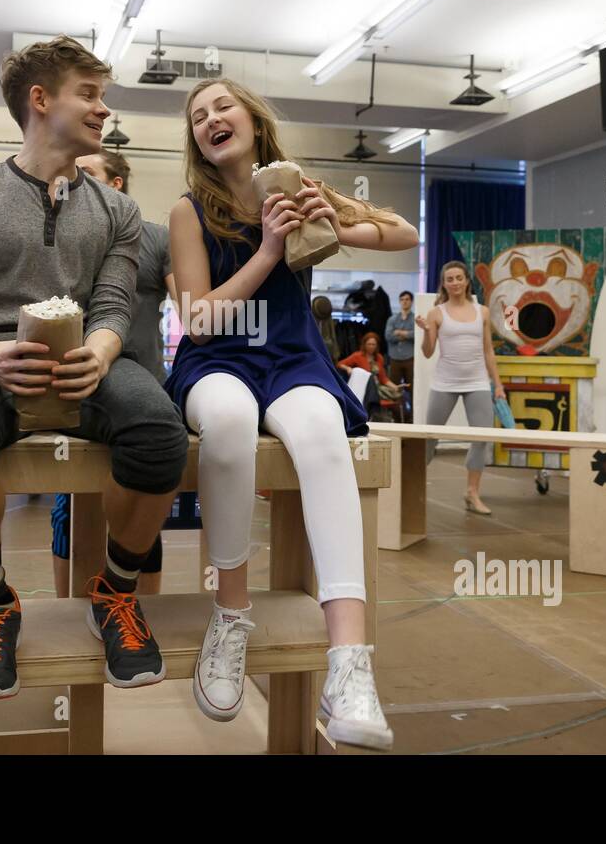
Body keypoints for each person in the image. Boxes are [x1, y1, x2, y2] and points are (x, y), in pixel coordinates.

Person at [0, 35, 188, 701]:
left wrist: (97, 355)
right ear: (41, 100)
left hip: (85, 369)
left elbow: (115, 305)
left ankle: (115, 592)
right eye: (90, 94)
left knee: (159, 429)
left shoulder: (119, 211)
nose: (104, 110)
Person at [165, 76, 419, 750]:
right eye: (198, 116)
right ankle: (231, 617)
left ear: (252, 118)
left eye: (223, 106)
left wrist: (334, 218)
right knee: (226, 424)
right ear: (198, 140)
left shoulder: (296, 184)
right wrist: (270, 251)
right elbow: (197, 318)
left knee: (321, 434)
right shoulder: (190, 211)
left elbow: (405, 233)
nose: (211, 118)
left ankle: (350, 665)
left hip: (292, 358)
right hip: (219, 357)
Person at [49, 149, 170, 598]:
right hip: (76, 386)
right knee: (67, 506)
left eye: (88, 172)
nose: (73, 178)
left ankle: (144, 610)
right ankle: (69, 611)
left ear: (115, 184)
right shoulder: (65, 233)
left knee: (144, 506)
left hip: (143, 384)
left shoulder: (157, 238)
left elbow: (194, 307)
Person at [415, 260, 506, 516]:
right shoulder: (437, 313)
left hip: (477, 381)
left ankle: (472, 493)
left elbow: (488, 351)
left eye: (458, 278)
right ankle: (413, 487)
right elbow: (428, 351)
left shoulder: (483, 312)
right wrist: (425, 331)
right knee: (429, 438)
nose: (454, 283)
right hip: (445, 382)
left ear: (467, 281)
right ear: (444, 284)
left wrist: (497, 384)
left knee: (481, 437)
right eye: (449, 279)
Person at [386, 290, 416, 420]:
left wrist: (400, 333)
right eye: (402, 299)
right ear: (399, 301)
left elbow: (416, 335)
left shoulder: (415, 318)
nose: (405, 301)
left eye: (407, 299)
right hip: (395, 359)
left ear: (411, 301)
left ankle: (412, 417)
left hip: (410, 358)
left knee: (412, 389)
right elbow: (388, 336)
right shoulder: (392, 319)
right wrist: (406, 334)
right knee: (394, 389)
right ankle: (396, 417)